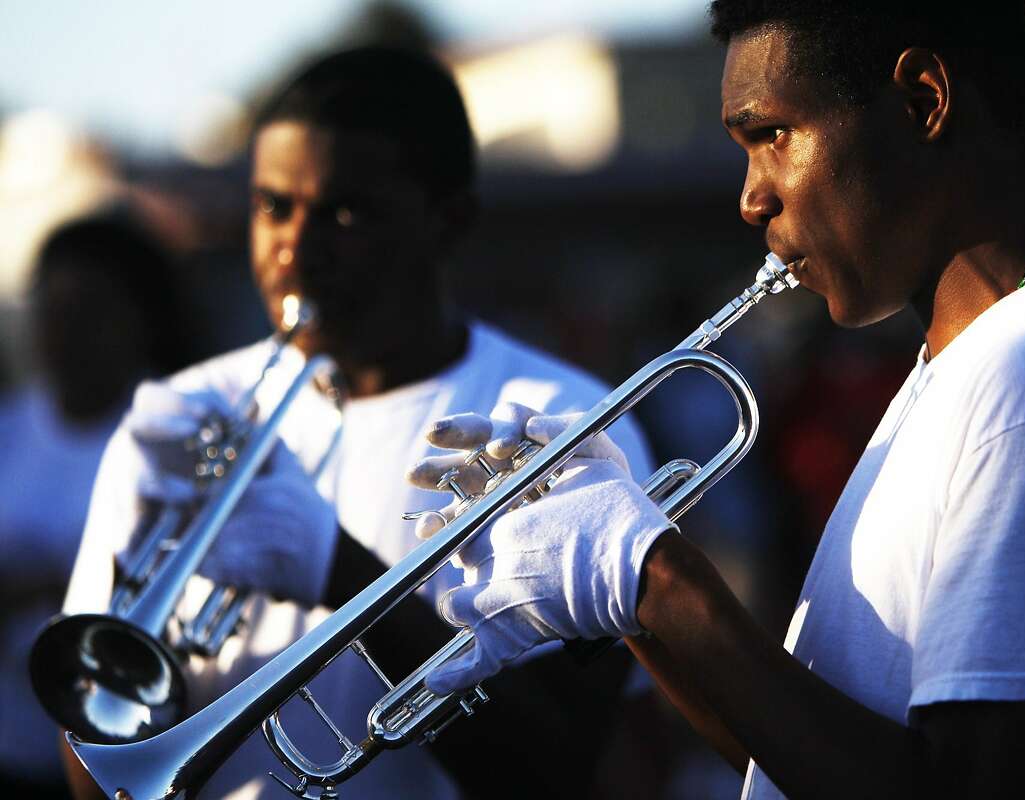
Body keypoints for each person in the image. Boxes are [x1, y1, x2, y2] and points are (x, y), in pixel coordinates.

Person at [409, 3, 1025, 798]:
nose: (753, 199)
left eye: (772, 136)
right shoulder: (977, 362)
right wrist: (618, 591)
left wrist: (662, 579)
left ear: (924, 101)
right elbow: (801, 764)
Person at [58, 47, 652, 799]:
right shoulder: (186, 408)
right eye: (273, 207)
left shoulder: (556, 420)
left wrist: (341, 571)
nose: (294, 253)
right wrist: (130, 603)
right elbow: (94, 778)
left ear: (449, 220)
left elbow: (557, 771)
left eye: (345, 214)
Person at [1, 213, 195, 798]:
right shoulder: (8, 428)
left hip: (114, 759)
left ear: (142, 319)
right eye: (51, 310)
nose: (63, 333)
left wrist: (52, 584)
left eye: (89, 313)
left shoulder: (178, 436)